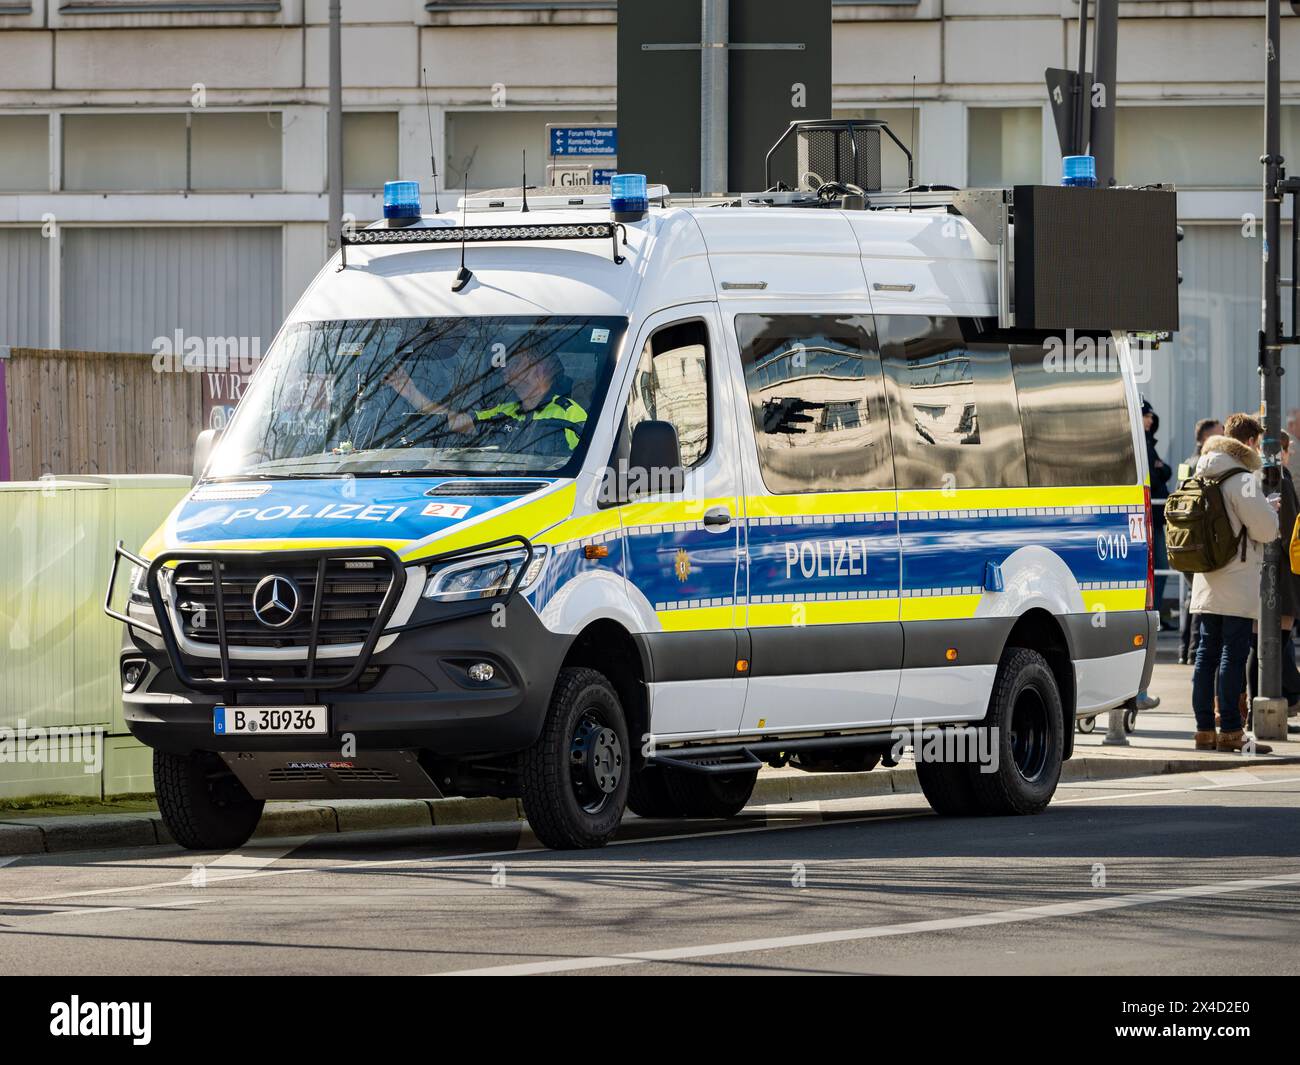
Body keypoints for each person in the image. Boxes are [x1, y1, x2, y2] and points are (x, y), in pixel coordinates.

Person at [1189, 413, 1278, 754]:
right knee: (1233, 652)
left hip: (1206, 574)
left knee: (1205, 653)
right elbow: (1265, 530)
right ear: (1251, 442)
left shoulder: (1203, 469)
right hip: (1236, 576)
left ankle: (1202, 729)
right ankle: (1229, 730)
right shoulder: (1240, 477)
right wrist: (1269, 509)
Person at [388, 349, 587, 458]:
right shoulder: (504, 410)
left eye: (516, 364)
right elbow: (456, 422)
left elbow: (589, 465)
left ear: (540, 370)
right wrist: (412, 394)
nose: (505, 369)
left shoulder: (570, 413)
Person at [1178, 417, 1224, 664]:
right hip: (1199, 542)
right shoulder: (1206, 465)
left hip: (1185, 540)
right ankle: (1194, 650)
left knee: (1192, 598)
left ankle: (1185, 650)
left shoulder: (1187, 463)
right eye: (1219, 434)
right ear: (1207, 438)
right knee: (1200, 599)